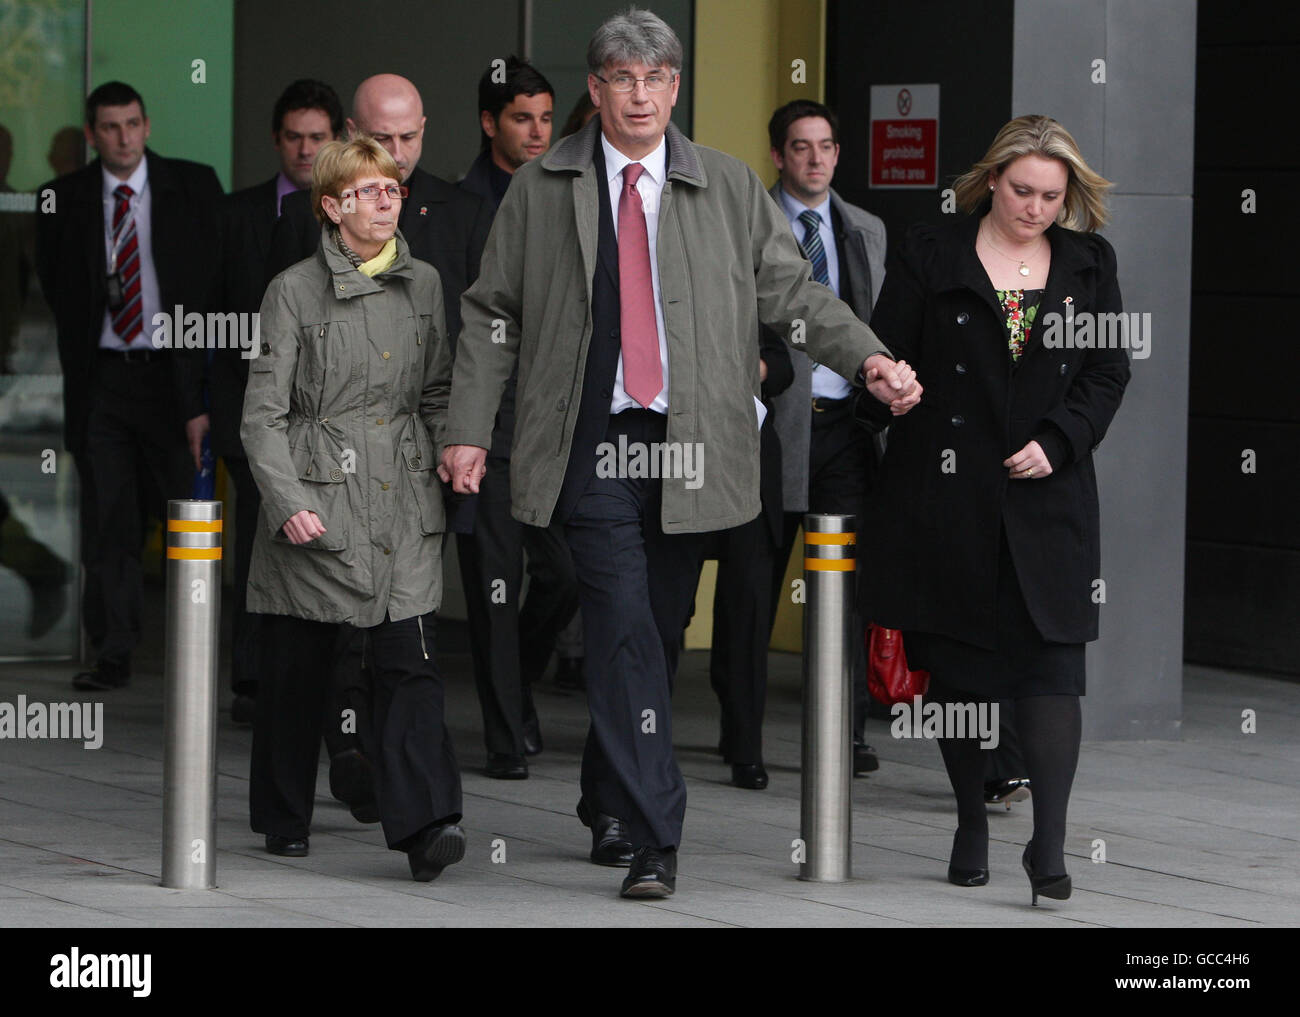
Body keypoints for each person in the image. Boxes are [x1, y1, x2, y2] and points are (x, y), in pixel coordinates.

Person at [441, 8, 920, 899]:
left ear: (674, 87)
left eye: (655, 78)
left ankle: (605, 798)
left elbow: (793, 294)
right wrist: (468, 427)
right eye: (621, 78)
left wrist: (871, 357)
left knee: (656, 636)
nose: (639, 94)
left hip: (691, 447)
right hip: (591, 444)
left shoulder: (728, 186)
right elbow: (490, 313)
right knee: (622, 630)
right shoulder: (542, 187)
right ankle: (657, 833)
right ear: (596, 88)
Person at [857, 114, 1129, 905]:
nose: (1035, 208)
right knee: (964, 674)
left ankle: (1048, 846)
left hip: (1048, 496)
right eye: (1021, 190)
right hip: (946, 494)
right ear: (992, 179)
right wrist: (888, 383)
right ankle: (970, 820)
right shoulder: (931, 248)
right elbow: (885, 347)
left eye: (1052, 195)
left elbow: (1107, 373)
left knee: (1052, 671)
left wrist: (1060, 439)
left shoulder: (1088, 262)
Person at [241, 137, 463, 880]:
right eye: (366, 192)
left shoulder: (426, 283)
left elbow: (434, 390)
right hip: (320, 497)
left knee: (410, 663)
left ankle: (428, 824)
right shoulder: (292, 290)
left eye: (392, 190)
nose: (384, 201)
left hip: (400, 499)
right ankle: (282, 813)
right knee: (299, 668)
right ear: (331, 206)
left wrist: (452, 452)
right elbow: (261, 417)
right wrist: (287, 501)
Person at [34, 81, 222, 690]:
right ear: (92, 134)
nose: (123, 137)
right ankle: (113, 649)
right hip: (106, 378)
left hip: (173, 377)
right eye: (109, 127)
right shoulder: (62, 198)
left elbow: (211, 284)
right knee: (110, 520)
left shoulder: (192, 186)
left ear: (147, 124)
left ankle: (198, 648)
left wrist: (200, 394)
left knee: (184, 514)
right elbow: (59, 289)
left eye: (132, 124)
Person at [214, 78, 343, 726]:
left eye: (316, 137)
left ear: (337, 140)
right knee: (259, 542)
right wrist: (206, 405)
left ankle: (320, 686)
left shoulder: (362, 216)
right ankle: (253, 676)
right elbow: (210, 318)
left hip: (333, 421)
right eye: (293, 136)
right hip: (256, 407)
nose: (303, 148)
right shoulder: (239, 213)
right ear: (275, 140)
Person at [765, 99, 887, 777]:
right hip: (775, 427)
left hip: (843, 429)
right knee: (757, 581)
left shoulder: (866, 229)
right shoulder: (749, 221)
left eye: (827, 146)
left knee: (843, 585)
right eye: (801, 147)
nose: (816, 159)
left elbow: (872, 319)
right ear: (778, 155)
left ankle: (849, 731)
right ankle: (741, 734)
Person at [455, 56, 567, 779]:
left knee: (566, 574)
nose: (537, 132)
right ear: (490, 122)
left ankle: (514, 680)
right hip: (486, 421)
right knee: (493, 584)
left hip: (553, 419)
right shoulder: (457, 204)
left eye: (546, 118)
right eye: (522, 118)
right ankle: (504, 732)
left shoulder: (565, 193)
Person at [697, 325, 792, 790]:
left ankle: (744, 746)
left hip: (747, 467)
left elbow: (781, 368)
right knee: (666, 612)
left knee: (747, 611)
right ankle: (641, 737)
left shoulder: (746, 287)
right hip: (678, 465)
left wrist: (736, 368)